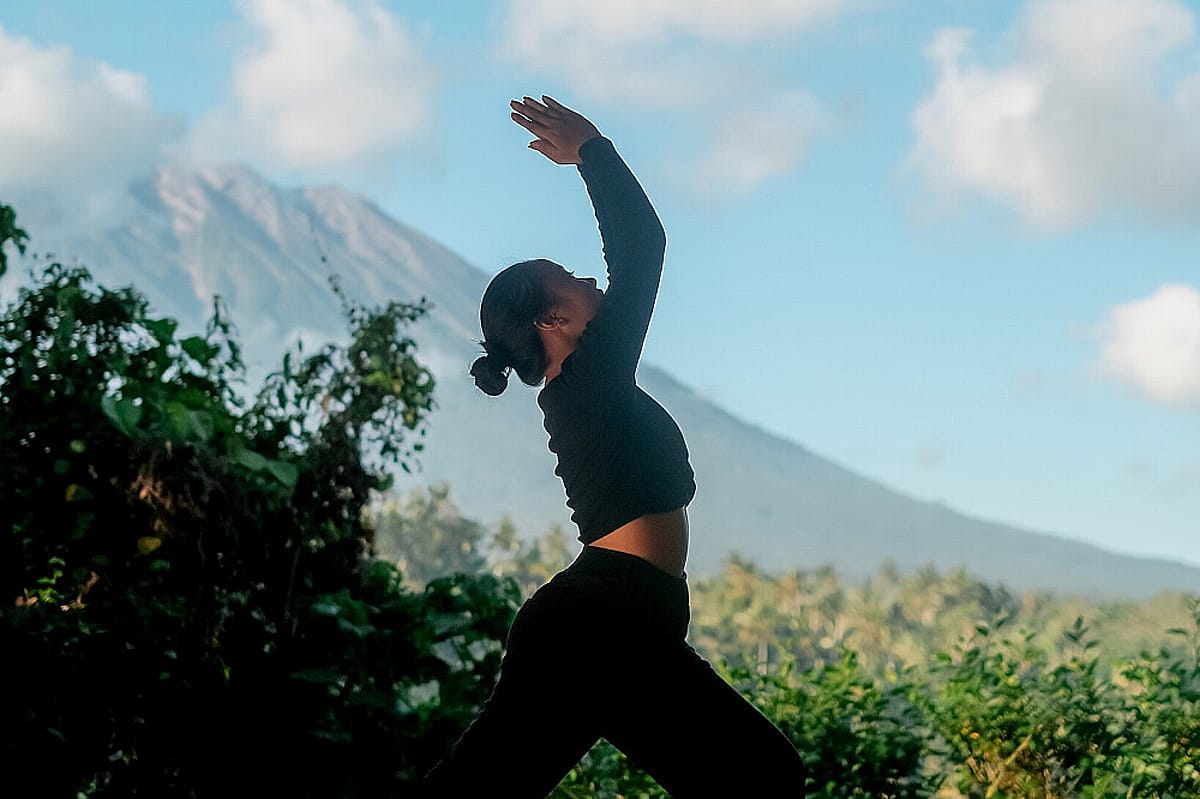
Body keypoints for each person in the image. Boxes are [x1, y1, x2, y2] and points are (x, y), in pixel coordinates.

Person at [415, 95, 806, 798]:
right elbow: (642, 251)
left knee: (760, 778)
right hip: (600, 627)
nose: (594, 282)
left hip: (628, 626)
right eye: (576, 278)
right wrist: (592, 150)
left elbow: (627, 262)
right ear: (555, 318)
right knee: (763, 777)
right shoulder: (588, 379)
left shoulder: (584, 389)